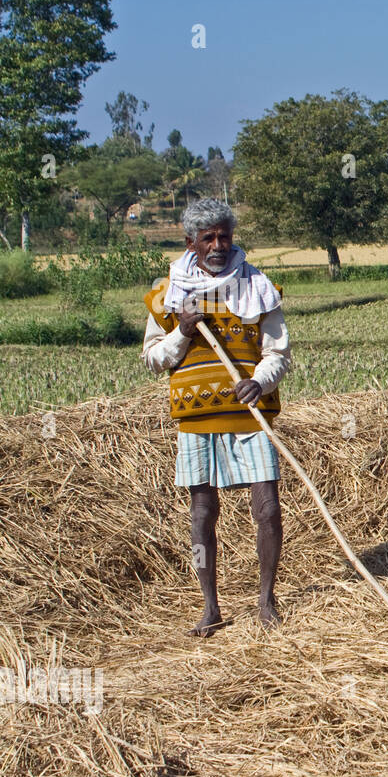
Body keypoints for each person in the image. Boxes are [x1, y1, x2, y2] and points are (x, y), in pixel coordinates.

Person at [142, 198, 290, 636]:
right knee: (202, 513)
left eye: (224, 235)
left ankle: (266, 601)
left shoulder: (259, 286)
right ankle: (211, 607)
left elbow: (278, 354)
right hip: (196, 420)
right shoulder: (168, 293)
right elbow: (153, 359)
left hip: (250, 417)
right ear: (191, 242)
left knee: (267, 509)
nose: (217, 245)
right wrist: (182, 333)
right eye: (207, 238)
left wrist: (260, 383)